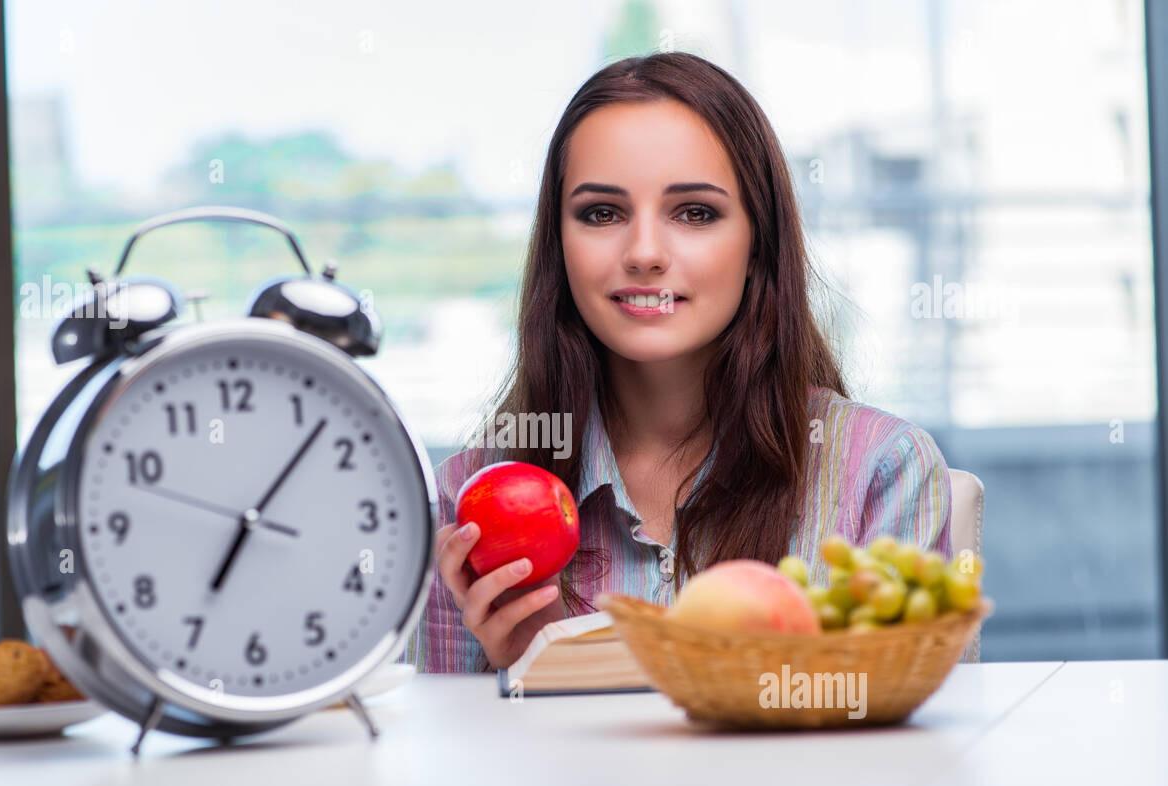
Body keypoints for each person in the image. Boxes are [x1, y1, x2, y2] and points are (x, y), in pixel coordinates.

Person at [398, 51, 953, 674]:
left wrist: (584, 672)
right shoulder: (462, 506)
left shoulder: (880, 471)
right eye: (601, 213)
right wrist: (531, 675)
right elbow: (455, 767)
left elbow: (901, 755)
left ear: (757, 246)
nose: (644, 253)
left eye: (694, 212)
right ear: (559, 246)